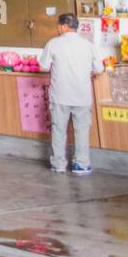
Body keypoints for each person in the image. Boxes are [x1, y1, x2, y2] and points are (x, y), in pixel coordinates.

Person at [39, 12, 104, 175]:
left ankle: (59, 164)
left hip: (60, 95)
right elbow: (99, 69)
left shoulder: (53, 43)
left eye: (58, 26)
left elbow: (43, 67)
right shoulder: (88, 44)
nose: (57, 28)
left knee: (59, 129)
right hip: (82, 95)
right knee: (81, 130)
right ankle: (81, 164)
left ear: (63, 26)